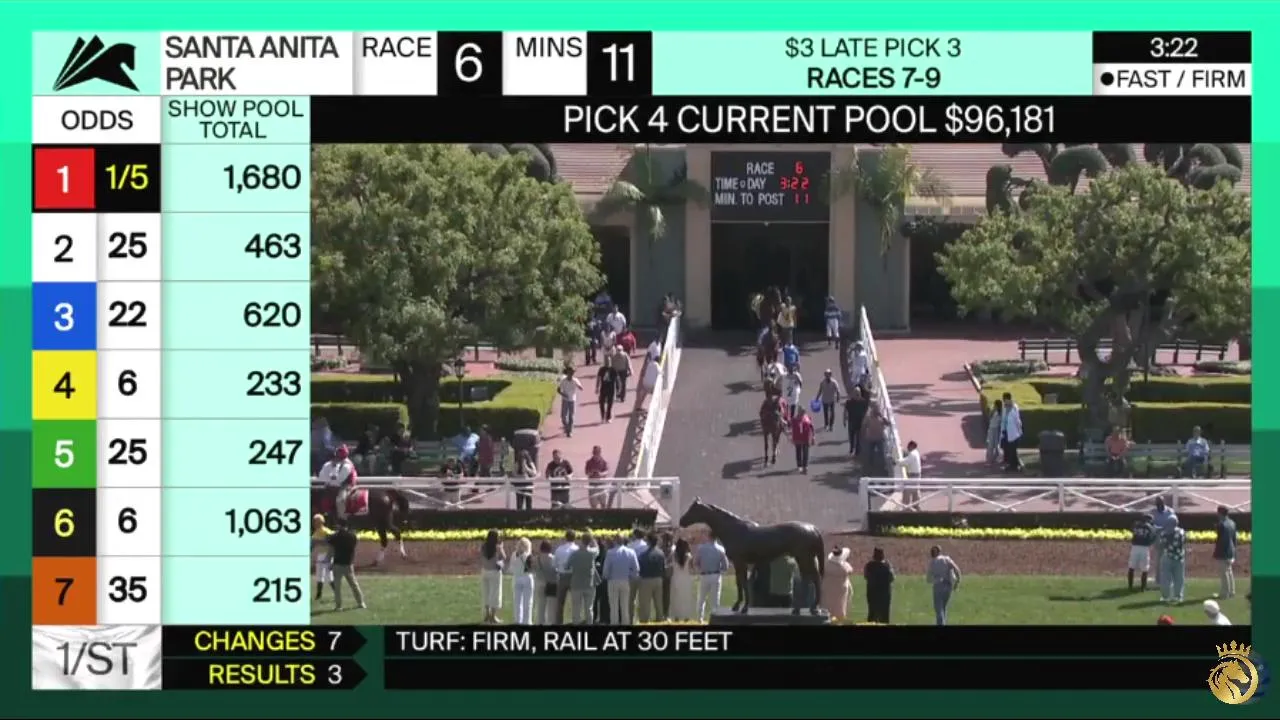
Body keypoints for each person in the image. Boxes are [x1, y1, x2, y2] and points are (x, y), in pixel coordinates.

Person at [326, 519, 366, 611]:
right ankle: (361, 603)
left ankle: (338, 606)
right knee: (354, 585)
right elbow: (354, 547)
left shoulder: (334, 537)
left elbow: (331, 551)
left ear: (339, 525)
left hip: (337, 564)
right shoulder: (352, 536)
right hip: (348, 564)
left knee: (337, 587)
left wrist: (329, 562)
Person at [603, 534, 639, 625]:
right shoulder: (631, 551)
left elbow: (606, 570)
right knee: (625, 606)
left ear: (615, 541)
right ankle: (625, 623)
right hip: (626, 580)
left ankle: (614, 624)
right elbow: (636, 569)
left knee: (613, 607)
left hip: (613, 581)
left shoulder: (610, 552)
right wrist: (629, 575)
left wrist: (606, 577)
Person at [694, 532, 728, 622]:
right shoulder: (721, 549)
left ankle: (699, 619)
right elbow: (725, 565)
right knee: (715, 599)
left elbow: (696, 563)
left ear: (708, 537)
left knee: (701, 598)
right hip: (716, 575)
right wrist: (720, 572)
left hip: (704, 575)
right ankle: (715, 619)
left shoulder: (701, 548)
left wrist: (699, 570)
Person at [318, 445, 358, 521]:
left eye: (339, 455)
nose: (337, 457)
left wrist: (329, 479)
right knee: (323, 496)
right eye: (337, 455)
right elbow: (321, 476)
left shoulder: (347, 465)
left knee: (340, 500)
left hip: (347, 485)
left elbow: (340, 480)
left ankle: (342, 519)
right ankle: (327, 514)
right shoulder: (329, 464)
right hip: (334, 484)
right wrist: (330, 479)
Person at [567, 531, 599, 624]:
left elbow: (567, 566)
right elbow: (597, 549)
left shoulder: (574, 554)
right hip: (589, 584)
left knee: (576, 608)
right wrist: (593, 540)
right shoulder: (592, 553)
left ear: (581, 540)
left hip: (576, 584)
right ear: (589, 541)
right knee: (589, 609)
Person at [925, 545, 961, 626]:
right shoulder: (947, 559)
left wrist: (934, 580)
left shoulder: (932, 562)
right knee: (943, 608)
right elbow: (957, 570)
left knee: (939, 609)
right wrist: (957, 582)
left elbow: (928, 579)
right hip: (948, 586)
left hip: (938, 586)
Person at [636, 533, 667, 622]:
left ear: (648, 542)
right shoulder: (661, 553)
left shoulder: (643, 555)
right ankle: (659, 618)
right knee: (658, 601)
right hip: (658, 579)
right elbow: (663, 567)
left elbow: (639, 568)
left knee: (645, 603)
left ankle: (644, 619)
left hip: (646, 580)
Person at [552, 529, 580, 624]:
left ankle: (558, 622)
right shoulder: (577, 549)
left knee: (560, 602)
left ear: (565, 537)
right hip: (574, 576)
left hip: (562, 576)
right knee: (575, 601)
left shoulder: (559, 549)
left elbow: (554, 564)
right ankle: (575, 620)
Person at [1159, 515, 1188, 604]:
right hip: (1179, 557)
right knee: (1179, 578)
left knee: (1165, 578)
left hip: (1167, 556)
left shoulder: (1164, 533)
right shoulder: (1181, 532)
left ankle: (1166, 596)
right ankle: (1178, 596)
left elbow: (1161, 545)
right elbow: (1184, 542)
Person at [479, 529, 506, 623]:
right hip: (494, 572)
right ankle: (493, 616)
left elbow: (481, 557)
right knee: (495, 594)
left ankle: (487, 614)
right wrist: (502, 548)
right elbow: (504, 557)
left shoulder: (483, 546)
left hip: (485, 571)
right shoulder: (497, 547)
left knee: (486, 593)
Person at [1151, 497, 1178, 586]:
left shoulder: (1170, 512)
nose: (1158, 506)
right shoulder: (1153, 512)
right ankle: (1158, 580)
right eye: (1157, 504)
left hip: (1168, 538)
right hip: (1158, 538)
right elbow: (1151, 524)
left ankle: (1169, 579)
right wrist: (1158, 528)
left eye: (1160, 504)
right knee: (1159, 560)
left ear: (1163, 503)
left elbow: (1174, 523)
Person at [863, 547, 895, 624]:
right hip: (884, 593)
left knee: (872, 612)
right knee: (884, 614)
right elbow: (892, 578)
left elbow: (866, 576)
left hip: (872, 592)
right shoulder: (887, 565)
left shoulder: (869, 565)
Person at [821, 546, 853, 621]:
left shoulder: (826, 565)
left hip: (827, 588)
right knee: (839, 606)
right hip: (840, 590)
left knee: (827, 605)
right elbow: (850, 570)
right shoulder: (844, 567)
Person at [507, 537, 534, 625]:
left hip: (516, 578)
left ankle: (518, 620)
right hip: (526, 578)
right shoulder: (528, 555)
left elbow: (511, 568)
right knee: (528, 602)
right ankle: (527, 621)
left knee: (517, 602)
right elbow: (531, 569)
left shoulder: (514, 554)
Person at [1213, 505, 1238, 599]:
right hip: (1231, 550)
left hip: (1223, 551)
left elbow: (1221, 539)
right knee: (1229, 572)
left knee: (1224, 573)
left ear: (1220, 513)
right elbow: (1234, 538)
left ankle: (1225, 593)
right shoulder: (1232, 523)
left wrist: (1217, 553)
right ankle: (1231, 591)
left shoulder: (1222, 524)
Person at [669, 538, 697, 621]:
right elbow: (693, 569)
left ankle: (676, 616)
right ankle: (686, 616)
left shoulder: (673, 555)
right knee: (686, 598)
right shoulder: (689, 556)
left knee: (676, 598)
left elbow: (668, 564)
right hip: (686, 579)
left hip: (676, 578)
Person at [1127, 514, 1155, 592]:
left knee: (1131, 566)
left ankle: (1130, 586)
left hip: (1135, 547)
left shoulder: (1136, 525)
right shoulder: (1149, 527)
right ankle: (1143, 587)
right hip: (1144, 548)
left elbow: (1132, 530)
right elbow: (1153, 537)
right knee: (1145, 568)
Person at [531, 540, 557, 625]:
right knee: (551, 606)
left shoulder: (536, 559)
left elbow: (533, 569)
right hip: (551, 584)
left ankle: (540, 622)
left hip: (539, 582)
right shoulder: (553, 558)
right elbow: (556, 571)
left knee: (541, 605)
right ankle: (550, 623)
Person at [311, 514, 335, 602]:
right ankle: (319, 594)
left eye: (315, 521)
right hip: (321, 554)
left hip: (326, 554)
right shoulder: (317, 531)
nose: (314, 523)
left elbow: (332, 542)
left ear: (320, 522)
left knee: (328, 576)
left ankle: (337, 593)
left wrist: (319, 542)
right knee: (319, 575)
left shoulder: (326, 531)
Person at [999, 392, 1024, 471]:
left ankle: (1014, 466)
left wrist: (1020, 431)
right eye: (1003, 400)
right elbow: (1003, 420)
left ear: (1008, 399)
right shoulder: (1004, 408)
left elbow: (1017, 420)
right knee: (1007, 448)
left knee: (1012, 449)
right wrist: (1002, 430)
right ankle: (1011, 464)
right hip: (1006, 431)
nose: (1004, 402)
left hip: (1013, 432)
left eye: (1005, 400)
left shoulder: (1014, 407)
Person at [896, 440, 923, 510]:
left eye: (908, 446)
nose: (907, 448)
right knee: (915, 491)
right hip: (917, 474)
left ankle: (906, 507)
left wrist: (896, 461)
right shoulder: (916, 453)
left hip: (913, 475)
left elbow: (905, 462)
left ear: (911, 446)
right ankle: (916, 506)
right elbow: (907, 458)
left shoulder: (913, 454)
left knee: (907, 491)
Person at [844, 385, 870, 456]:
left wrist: (866, 421)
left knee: (858, 437)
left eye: (858, 393)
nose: (857, 395)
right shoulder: (849, 402)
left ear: (860, 393)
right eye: (855, 393)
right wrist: (844, 420)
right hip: (851, 421)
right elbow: (845, 411)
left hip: (860, 422)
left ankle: (857, 451)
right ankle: (851, 449)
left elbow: (866, 411)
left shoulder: (863, 402)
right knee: (851, 436)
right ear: (853, 394)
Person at [557, 368, 583, 438]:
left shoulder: (575, 380)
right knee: (563, 417)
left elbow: (581, 387)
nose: (571, 375)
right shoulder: (563, 381)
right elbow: (558, 390)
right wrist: (563, 394)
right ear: (567, 373)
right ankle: (566, 427)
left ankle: (569, 431)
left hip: (572, 400)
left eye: (572, 373)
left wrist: (579, 386)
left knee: (571, 416)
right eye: (569, 373)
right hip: (565, 400)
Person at [596, 351, 620, 423]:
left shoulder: (613, 370)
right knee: (601, 402)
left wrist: (618, 388)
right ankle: (602, 416)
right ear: (605, 362)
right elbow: (598, 378)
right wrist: (597, 387)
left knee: (610, 403)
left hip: (611, 388)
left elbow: (617, 380)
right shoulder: (602, 369)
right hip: (603, 388)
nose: (608, 363)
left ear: (610, 362)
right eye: (606, 361)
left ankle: (608, 417)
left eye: (609, 361)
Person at [790, 406, 815, 473]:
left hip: (805, 438)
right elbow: (790, 426)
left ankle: (805, 466)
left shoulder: (807, 418)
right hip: (797, 438)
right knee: (798, 452)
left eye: (803, 412)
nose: (803, 413)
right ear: (799, 412)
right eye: (801, 412)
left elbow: (811, 427)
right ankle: (799, 466)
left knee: (805, 452)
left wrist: (813, 437)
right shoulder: (794, 419)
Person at [985, 399, 1004, 466]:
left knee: (995, 445)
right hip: (993, 429)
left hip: (996, 429)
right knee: (992, 445)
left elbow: (1001, 421)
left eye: (995, 405)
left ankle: (994, 459)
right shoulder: (994, 411)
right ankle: (990, 460)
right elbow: (989, 417)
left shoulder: (1000, 412)